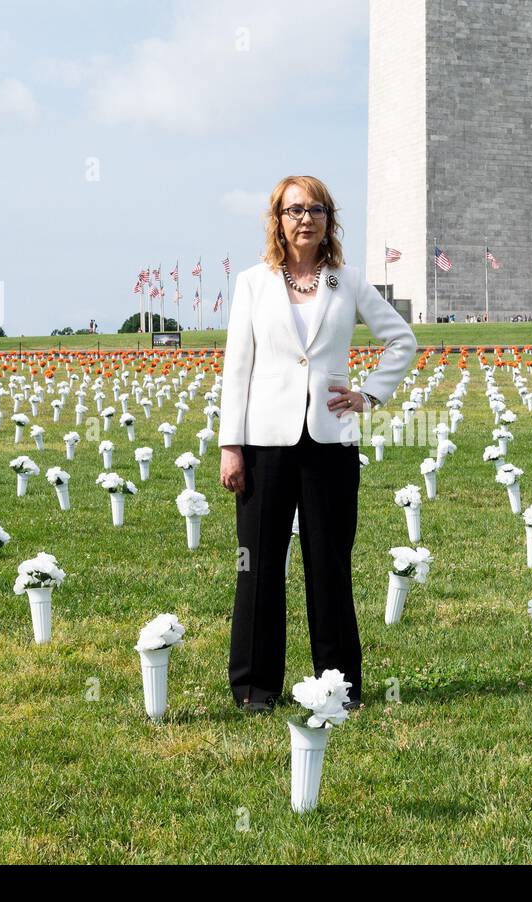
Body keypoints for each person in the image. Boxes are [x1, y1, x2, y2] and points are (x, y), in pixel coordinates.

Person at [217, 175, 417, 712]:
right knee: (256, 565)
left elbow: (403, 340)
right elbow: (237, 369)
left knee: (329, 564)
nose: (305, 219)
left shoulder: (347, 282)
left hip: (329, 443)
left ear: (330, 220)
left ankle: (338, 684)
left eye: (316, 209)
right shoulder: (253, 284)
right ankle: (255, 688)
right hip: (264, 443)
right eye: (294, 210)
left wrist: (369, 395)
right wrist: (229, 445)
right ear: (277, 221)